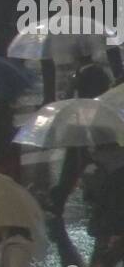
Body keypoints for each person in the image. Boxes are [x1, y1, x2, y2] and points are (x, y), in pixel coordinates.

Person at [46, 63, 111, 216]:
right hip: (96, 143)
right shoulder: (106, 102)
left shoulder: (80, 102)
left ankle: (59, 201)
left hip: (85, 141)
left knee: (71, 170)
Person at [84, 144, 124, 267]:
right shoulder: (105, 171)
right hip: (110, 232)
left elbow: (104, 205)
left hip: (110, 234)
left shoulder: (112, 174)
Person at [16, 0, 56, 103]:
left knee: (19, 54)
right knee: (46, 58)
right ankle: (49, 96)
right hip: (44, 14)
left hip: (28, 16)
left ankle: (14, 91)